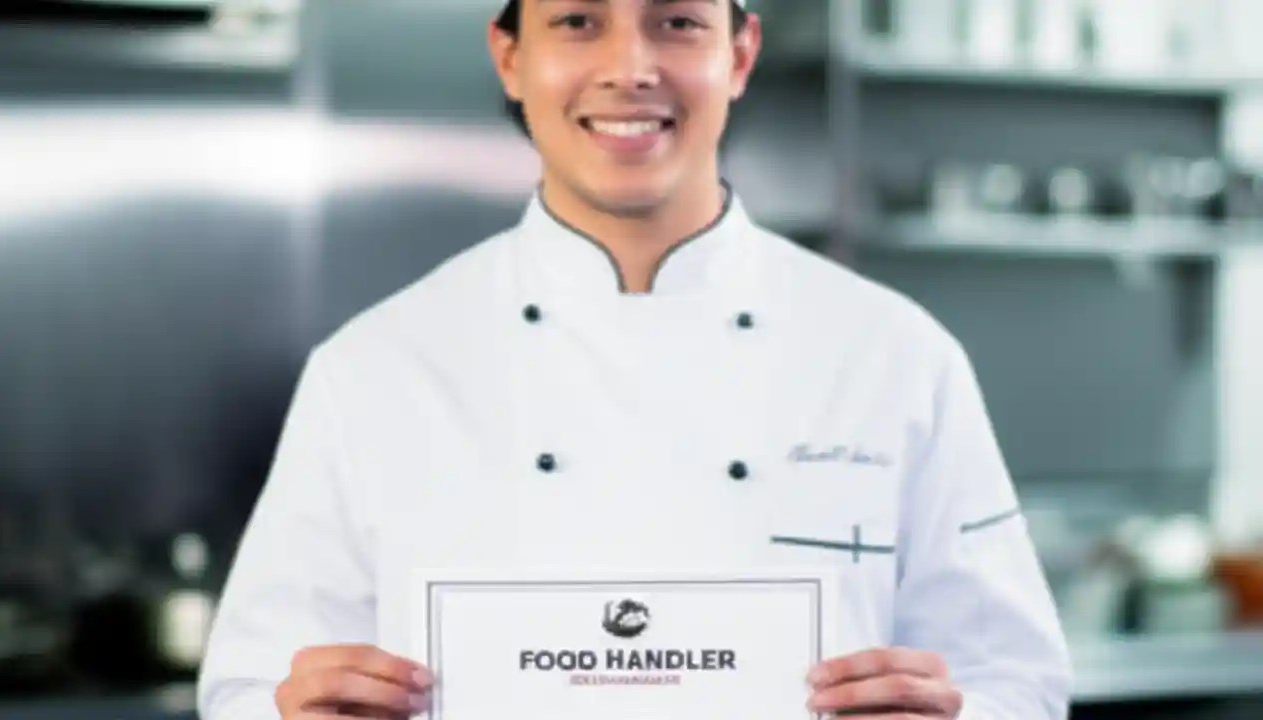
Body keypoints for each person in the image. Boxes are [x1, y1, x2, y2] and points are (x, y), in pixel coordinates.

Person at [197, 0, 1072, 718]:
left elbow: (1021, 684)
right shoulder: (374, 368)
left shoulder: (896, 354)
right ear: (509, 55)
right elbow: (245, 687)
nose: (629, 67)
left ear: (740, 52)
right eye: (578, 21)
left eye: (676, 23)